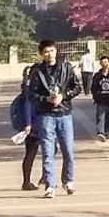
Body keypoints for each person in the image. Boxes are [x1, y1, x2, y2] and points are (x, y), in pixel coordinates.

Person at [26, 41, 81, 198]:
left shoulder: (66, 68)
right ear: (41, 54)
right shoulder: (37, 71)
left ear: (56, 51)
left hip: (64, 114)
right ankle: (50, 186)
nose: (49, 54)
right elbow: (31, 95)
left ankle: (68, 181)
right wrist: (46, 99)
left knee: (68, 151)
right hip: (46, 116)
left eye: (51, 50)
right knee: (47, 152)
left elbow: (77, 87)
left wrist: (63, 96)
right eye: (45, 51)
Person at [10, 66, 41, 191]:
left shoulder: (28, 86)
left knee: (45, 150)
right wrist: (28, 124)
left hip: (36, 122)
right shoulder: (29, 88)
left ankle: (40, 178)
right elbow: (27, 106)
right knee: (31, 152)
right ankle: (27, 182)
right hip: (33, 124)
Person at [91, 55, 109, 140]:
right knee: (100, 116)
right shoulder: (97, 76)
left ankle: (107, 131)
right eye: (102, 62)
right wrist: (95, 97)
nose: (104, 64)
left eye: (106, 62)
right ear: (100, 63)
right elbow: (93, 87)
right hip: (100, 99)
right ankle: (101, 132)